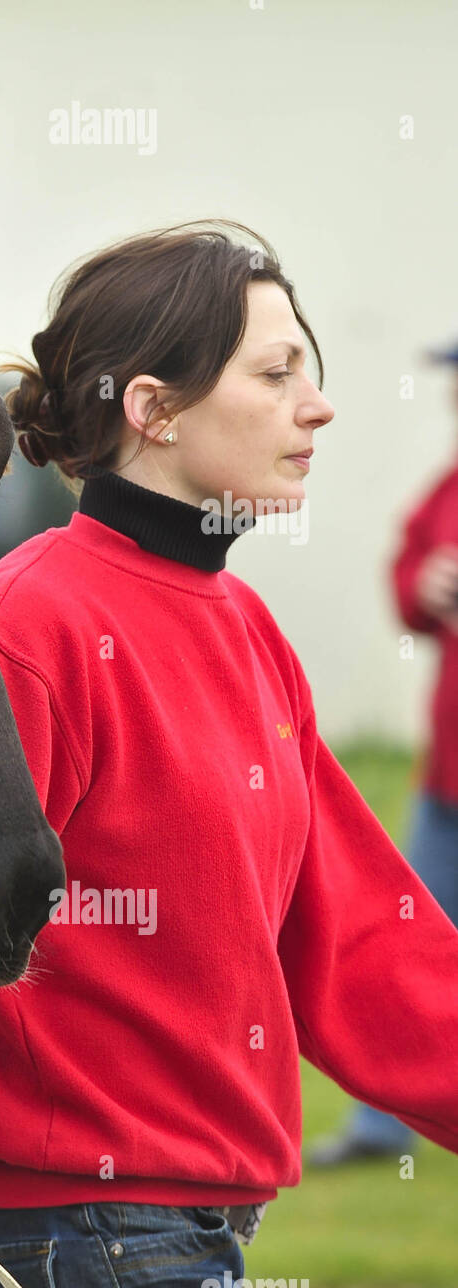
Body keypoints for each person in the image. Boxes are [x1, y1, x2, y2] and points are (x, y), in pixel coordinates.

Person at [0, 221, 458, 1288]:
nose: (317, 404)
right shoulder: (33, 623)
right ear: (150, 409)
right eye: (274, 371)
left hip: (183, 1239)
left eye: (312, 370)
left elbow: (356, 940)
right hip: (84, 1246)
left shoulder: (247, 630)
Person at [309, 338, 458, 1164]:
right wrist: (425, 587)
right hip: (447, 783)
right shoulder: (449, 487)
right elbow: (407, 574)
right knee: (404, 952)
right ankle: (377, 1128)